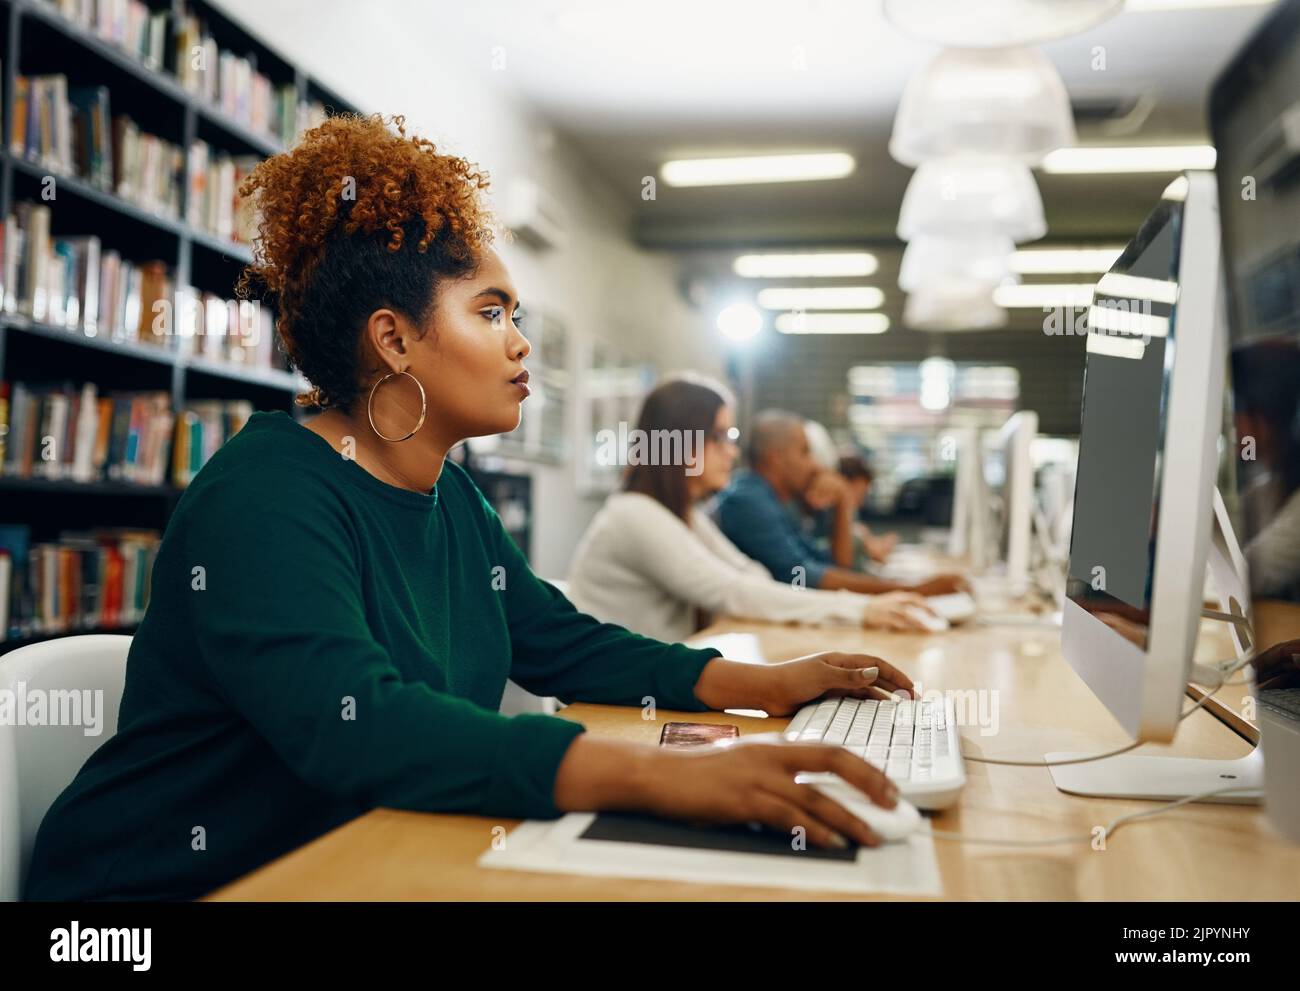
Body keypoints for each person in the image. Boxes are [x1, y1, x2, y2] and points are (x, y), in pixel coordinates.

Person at [23, 115, 912, 901]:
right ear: (394, 337)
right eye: (492, 311)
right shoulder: (265, 495)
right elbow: (361, 727)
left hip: (349, 859)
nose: (522, 341)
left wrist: (770, 686)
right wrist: (651, 776)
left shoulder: (449, 495)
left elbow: (564, 642)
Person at [567, 373, 934, 642]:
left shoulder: (681, 515)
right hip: (603, 710)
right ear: (681, 441)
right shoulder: (635, 515)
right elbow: (733, 591)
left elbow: (749, 575)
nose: (733, 451)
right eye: (721, 437)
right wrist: (861, 609)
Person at [714, 410, 965, 597]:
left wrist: (845, 500)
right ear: (776, 458)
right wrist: (914, 590)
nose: (814, 464)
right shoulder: (748, 501)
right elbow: (804, 578)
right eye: (804, 452)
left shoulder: (775, 501)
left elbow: (830, 565)